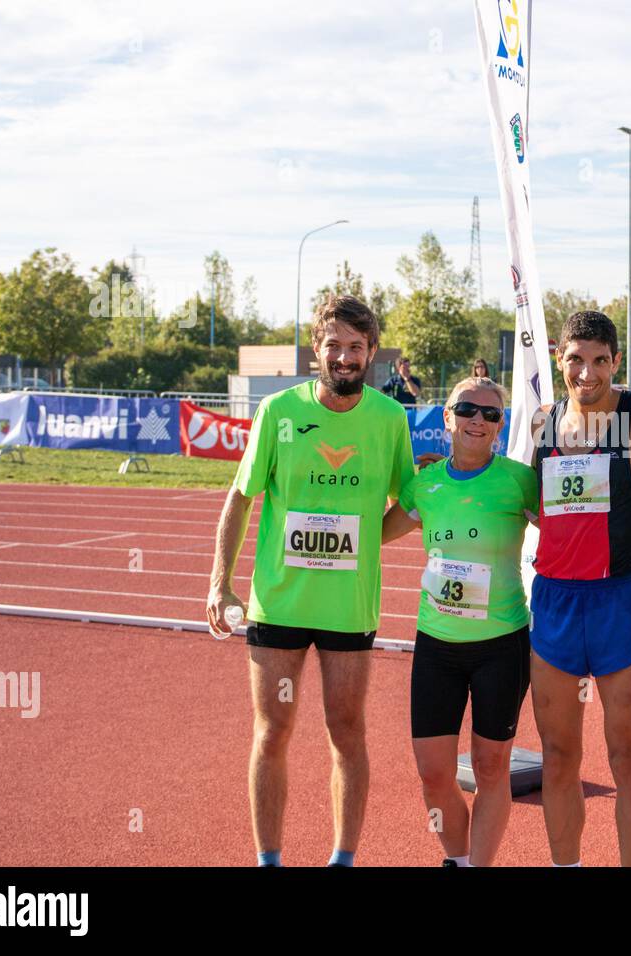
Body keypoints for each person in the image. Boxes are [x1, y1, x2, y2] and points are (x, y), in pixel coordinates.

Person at [206, 294, 415, 868]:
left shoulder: (389, 418)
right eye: (333, 345)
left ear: (370, 351)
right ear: (315, 350)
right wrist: (219, 583)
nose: (344, 357)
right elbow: (241, 497)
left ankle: (343, 859)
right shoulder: (277, 412)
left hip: (349, 608)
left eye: (355, 347)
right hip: (278, 605)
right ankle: (269, 859)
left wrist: (361, 539)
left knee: (346, 731)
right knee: (273, 731)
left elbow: (411, 503)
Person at [529, 310, 631, 867]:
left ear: (616, 361)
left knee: (625, 755)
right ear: (559, 360)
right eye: (575, 359)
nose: (586, 372)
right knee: (558, 754)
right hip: (553, 602)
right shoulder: (544, 423)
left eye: (599, 360)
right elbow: (539, 507)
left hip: (620, 601)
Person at [382, 376, 537, 866]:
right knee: (433, 773)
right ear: (446, 417)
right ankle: (458, 855)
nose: (478, 420)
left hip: (502, 644)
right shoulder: (423, 484)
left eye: (491, 414)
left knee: (492, 767)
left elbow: (568, 532)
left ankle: (475, 865)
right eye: (467, 409)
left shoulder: (518, 479)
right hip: (437, 645)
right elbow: (373, 534)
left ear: (501, 426)